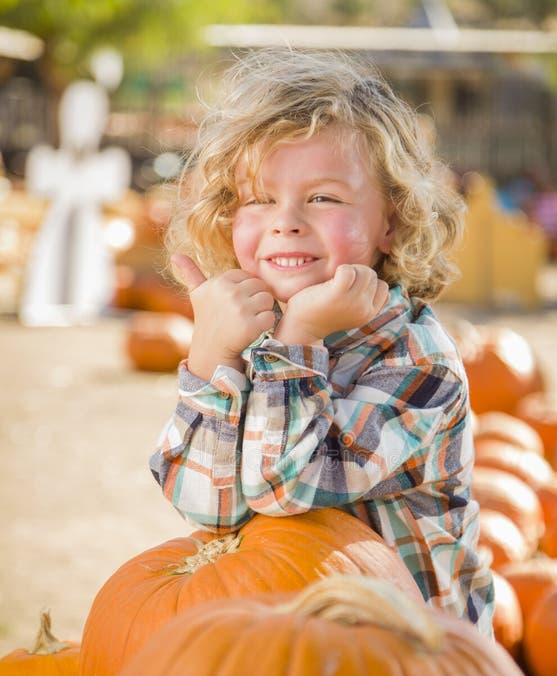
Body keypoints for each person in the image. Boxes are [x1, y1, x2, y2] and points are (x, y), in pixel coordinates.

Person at [150, 47, 495, 637]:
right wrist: (209, 357)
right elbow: (205, 507)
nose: (286, 220)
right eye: (259, 199)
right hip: (296, 647)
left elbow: (286, 489)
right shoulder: (257, 333)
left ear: (393, 220)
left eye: (323, 198)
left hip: (411, 664)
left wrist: (299, 337)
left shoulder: (416, 359)